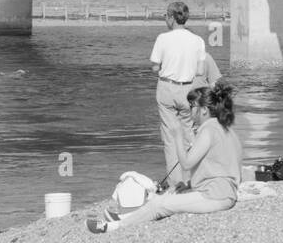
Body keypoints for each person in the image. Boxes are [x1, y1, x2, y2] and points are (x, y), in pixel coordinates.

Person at [88, 80, 243, 233]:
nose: (190, 111)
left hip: (215, 195)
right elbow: (220, 166)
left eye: (192, 106)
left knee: (159, 204)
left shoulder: (208, 130)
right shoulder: (225, 129)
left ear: (204, 110)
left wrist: (177, 137)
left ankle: (114, 226)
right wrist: (189, 184)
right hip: (223, 192)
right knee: (166, 197)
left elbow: (187, 164)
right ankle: (126, 218)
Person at [149, 1, 207, 186]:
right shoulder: (197, 40)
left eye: (166, 16)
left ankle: (176, 184)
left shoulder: (162, 38)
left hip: (167, 87)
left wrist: (164, 70)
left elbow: (155, 67)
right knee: (189, 134)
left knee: (170, 136)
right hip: (188, 89)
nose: (166, 19)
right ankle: (194, 177)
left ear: (172, 17)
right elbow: (199, 70)